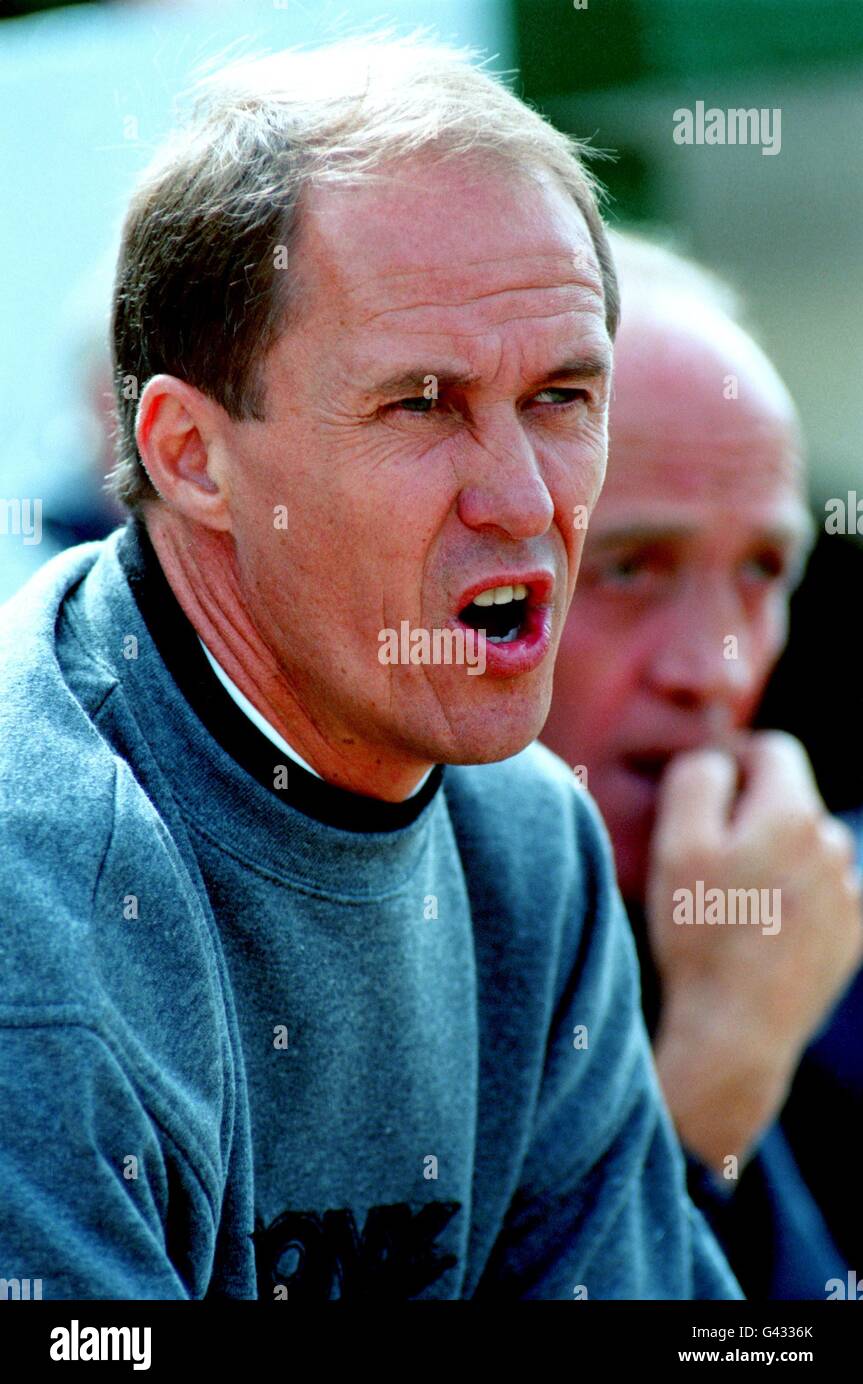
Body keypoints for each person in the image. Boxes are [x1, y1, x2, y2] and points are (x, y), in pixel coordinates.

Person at [0, 38, 741, 1301]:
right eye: (420, 404)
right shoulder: (41, 888)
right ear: (191, 455)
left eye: (562, 395)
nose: (522, 500)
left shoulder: (524, 845)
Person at [541, 229, 863, 1298]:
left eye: (760, 570)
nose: (711, 668)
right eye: (630, 566)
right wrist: (717, 1072)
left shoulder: (814, 922)